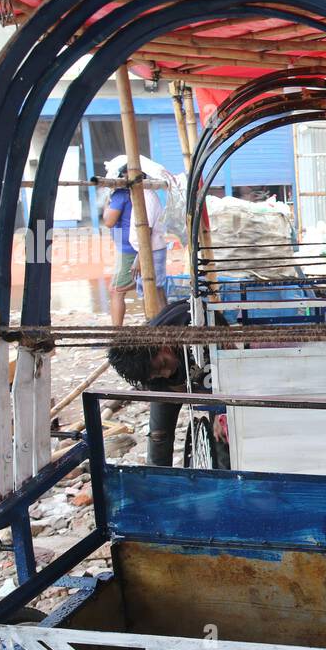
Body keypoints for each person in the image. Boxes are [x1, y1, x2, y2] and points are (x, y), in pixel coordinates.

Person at [107, 298, 227, 468]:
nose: (166, 373)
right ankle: (157, 482)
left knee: (222, 430)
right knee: (159, 436)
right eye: (156, 375)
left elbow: (230, 364)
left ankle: (226, 478)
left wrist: (221, 411)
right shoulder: (147, 373)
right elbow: (166, 384)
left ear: (161, 343)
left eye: (163, 364)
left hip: (214, 371)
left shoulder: (193, 323)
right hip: (175, 386)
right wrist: (180, 390)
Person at [103, 165, 168, 327]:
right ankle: (158, 327)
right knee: (150, 290)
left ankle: (160, 329)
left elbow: (147, 229)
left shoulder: (144, 197)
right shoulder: (138, 195)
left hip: (144, 250)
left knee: (148, 291)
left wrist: (139, 257)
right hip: (142, 249)